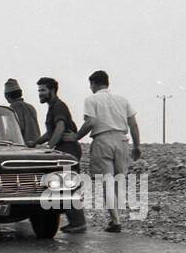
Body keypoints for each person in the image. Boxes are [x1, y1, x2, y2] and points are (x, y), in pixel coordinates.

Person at [75, 69, 142, 232]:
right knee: (119, 180)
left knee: (107, 182)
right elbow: (133, 123)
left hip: (102, 140)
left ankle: (115, 220)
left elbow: (90, 122)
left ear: (93, 84)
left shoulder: (91, 99)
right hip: (122, 140)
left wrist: (76, 137)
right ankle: (116, 217)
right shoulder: (122, 100)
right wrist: (137, 146)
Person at [34, 76, 85, 233]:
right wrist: (35, 143)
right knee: (64, 185)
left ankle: (79, 223)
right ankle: (75, 222)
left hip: (67, 149)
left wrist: (50, 148)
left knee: (68, 185)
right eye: (39, 90)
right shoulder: (53, 107)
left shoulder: (58, 107)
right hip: (64, 148)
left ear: (53, 90)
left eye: (43, 90)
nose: (40, 94)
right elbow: (50, 132)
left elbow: (60, 127)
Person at [4, 78, 41, 144]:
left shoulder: (13, 108)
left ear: (7, 96)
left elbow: (16, 129)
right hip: (35, 144)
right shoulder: (30, 107)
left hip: (23, 145)